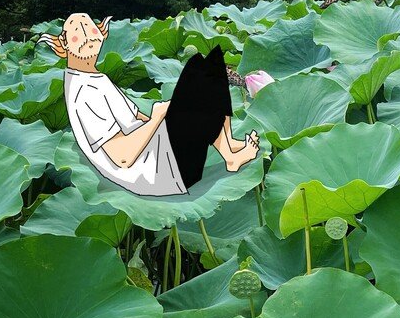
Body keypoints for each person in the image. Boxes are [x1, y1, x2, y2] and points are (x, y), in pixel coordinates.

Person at [39, 13, 259, 197]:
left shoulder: (93, 78)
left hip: (153, 151)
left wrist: (169, 115)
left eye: (90, 29)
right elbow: (121, 156)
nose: (87, 37)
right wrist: (157, 117)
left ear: (101, 32)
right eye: (78, 32)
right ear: (63, 45)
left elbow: (136, 118)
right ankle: (231, 156)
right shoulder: (84, 92)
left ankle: (229, 147)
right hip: (148, 172)